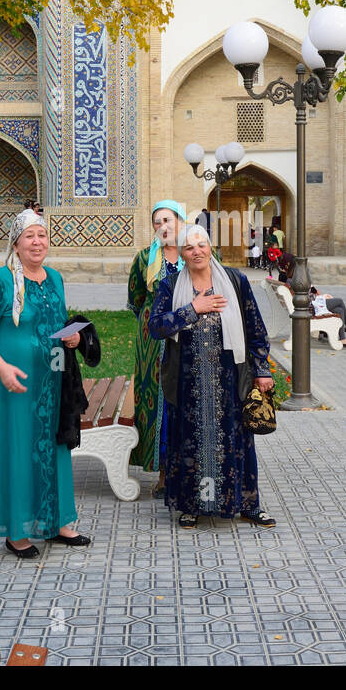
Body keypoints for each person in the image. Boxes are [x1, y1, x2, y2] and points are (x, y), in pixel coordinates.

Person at [0, 208, 88, 557]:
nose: (37, 242)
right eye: (30, 237)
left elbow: (57, 324)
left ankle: (58, 522)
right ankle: (17, 530)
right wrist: (2, 367)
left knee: (54, 446)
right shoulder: (0, 281)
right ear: (16, 244)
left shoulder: (55, 279)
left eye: (43, 236)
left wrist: (74, 341)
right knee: (19, 449)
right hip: (12, 383)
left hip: (52, 381)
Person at [148, 224, 276, 529]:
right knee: (189, 441)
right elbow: (156, 327)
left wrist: (261, 370)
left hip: (230, 381)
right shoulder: (169, 287)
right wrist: (192, 308)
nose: (196, 252)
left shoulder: (235, 281)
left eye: (201, 245)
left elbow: (255, 330)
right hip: (187, 383)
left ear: (210, 247)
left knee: (237, 441)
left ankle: (247, 504)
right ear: (181, 253)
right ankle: (191, 506)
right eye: (189, 247)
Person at [125, 200, 186, 494]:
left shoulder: (195, 252)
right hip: (154, 345)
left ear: (180, 221)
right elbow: (136, 299)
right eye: (157, 223)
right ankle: (163, 472)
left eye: (168, 220)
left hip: (190, 340)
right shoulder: (143, 259)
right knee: (159, 403)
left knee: (186, 400)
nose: (163, 227)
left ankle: (189, 469)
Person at [277, 252, 346, 342]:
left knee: (339, 310)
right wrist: (322, 297)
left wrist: (321, 297)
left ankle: (343, 339)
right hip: (310, 308)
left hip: (308, 306)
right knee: (339, 301)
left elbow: (307, 293)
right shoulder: (294, 280)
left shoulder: (292, 279)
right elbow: (305, 297)